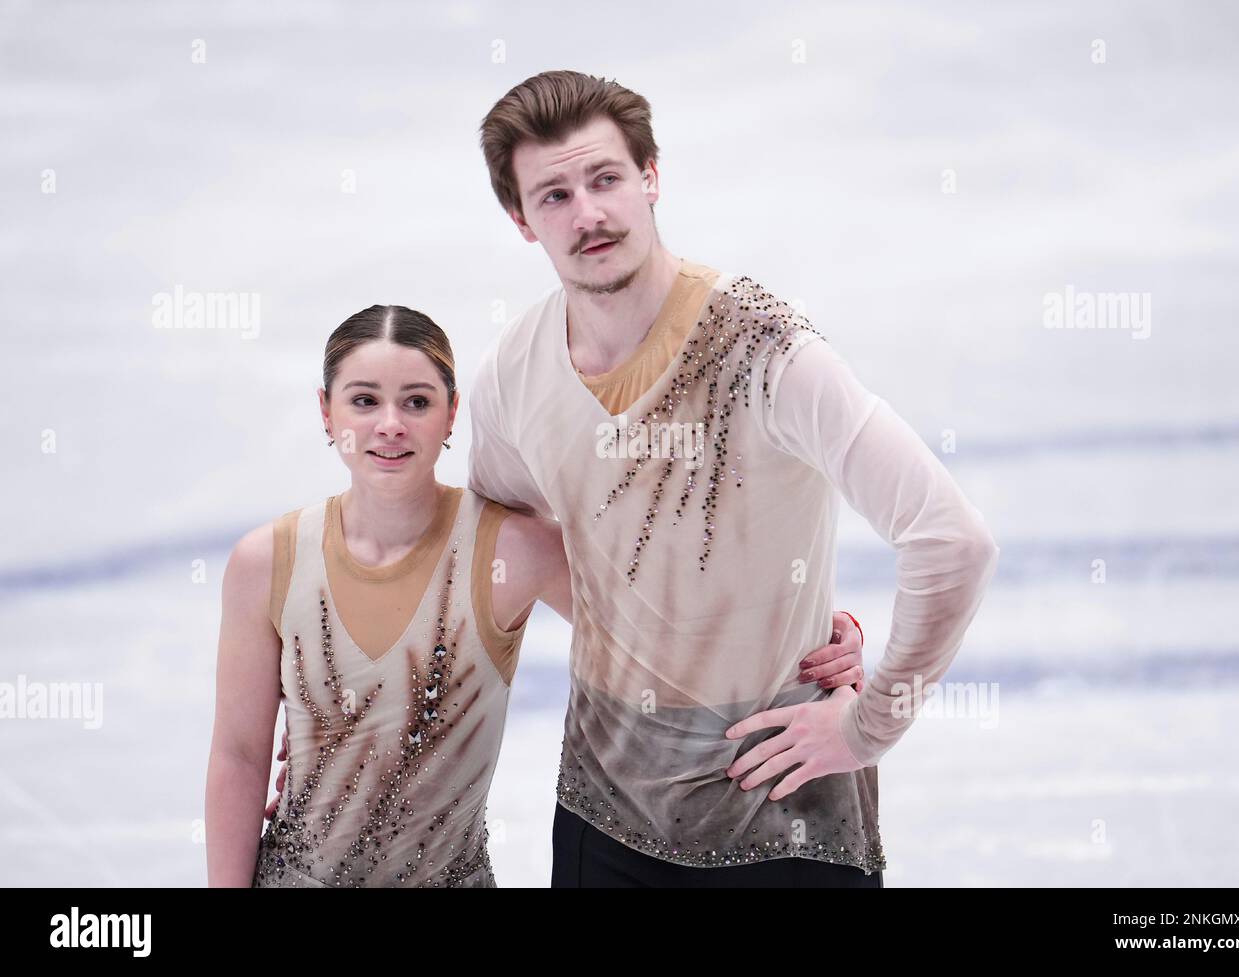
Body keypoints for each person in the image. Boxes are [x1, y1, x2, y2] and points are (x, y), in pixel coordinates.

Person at [467, 70, 1001, 887]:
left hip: (787, 816)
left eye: (606, 179)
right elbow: (495, 546)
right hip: (603, 816)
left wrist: (868, 727)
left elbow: (954, 542)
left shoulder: (766, 351)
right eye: (555, 196)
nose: (589, 214)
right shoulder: (516, 371)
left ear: (650, 177)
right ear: (521, 219)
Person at [208, 304, 865, 887]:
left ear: (451, 414)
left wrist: (820, 633)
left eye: (416, 402)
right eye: (363, 401)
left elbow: (672, 631)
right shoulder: (267, 564)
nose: (390, 425)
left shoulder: (509, 550)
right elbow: (239, 754)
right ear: (326, 411)